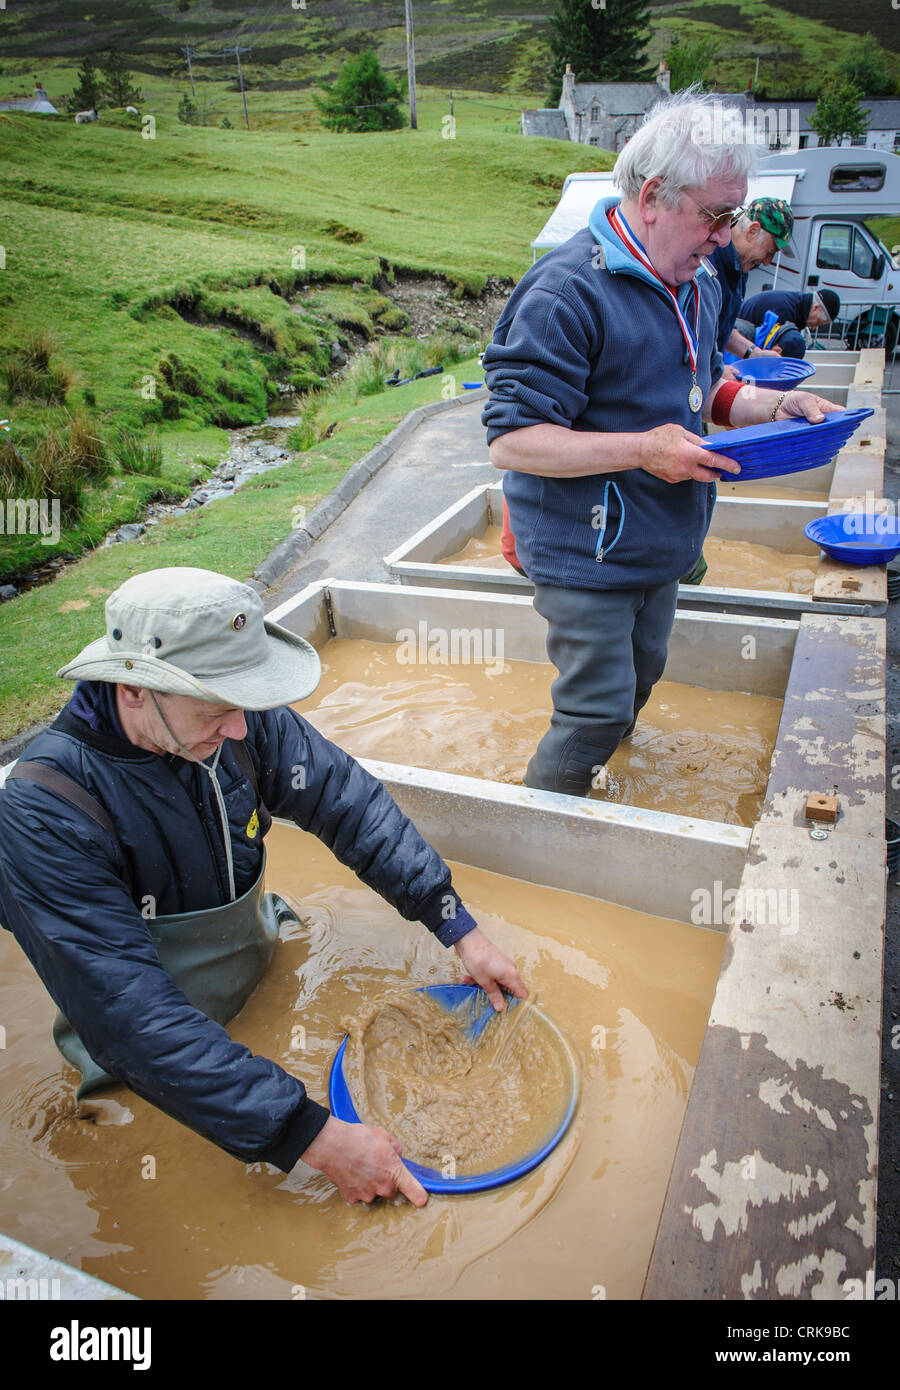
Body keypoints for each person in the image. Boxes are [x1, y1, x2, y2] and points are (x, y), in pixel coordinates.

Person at [0, 567, 527, 1207]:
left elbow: (350, 806)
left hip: (257, 965)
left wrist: (459, 929)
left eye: (244, 706)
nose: (241, 731)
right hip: (147, 1064)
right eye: (217, 708)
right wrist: (311, 1136)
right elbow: (128, 1017)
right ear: (136, 688)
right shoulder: (45, 811)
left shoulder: (240, 726)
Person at [481, 92, 840, 798]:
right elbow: (514, 441)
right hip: (580, 547)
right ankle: (542, 833)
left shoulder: (698, 283)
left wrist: (779, 405)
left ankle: (604, 790)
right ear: (652, 197)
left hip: (661, 540)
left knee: (642, 680)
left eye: (734, 216)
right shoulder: (566, 293)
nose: (724, 234)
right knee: (594, 710)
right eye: (714, 215)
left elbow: (711, 390)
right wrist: (645, 450)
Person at [707, 196, 794, 362]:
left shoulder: (741, 268)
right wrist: (717, 371)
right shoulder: (708, 259)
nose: (768, 262)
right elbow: (687, 333)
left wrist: (755, 354)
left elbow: (723, 329)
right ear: (752, 231)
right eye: (770, 251)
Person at [736, 288, 840, 359]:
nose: (813, 328)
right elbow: (769, 350)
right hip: (737, 343)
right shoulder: (785, 312)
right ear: (816, 308)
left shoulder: (794, 304)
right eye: (817, 323)